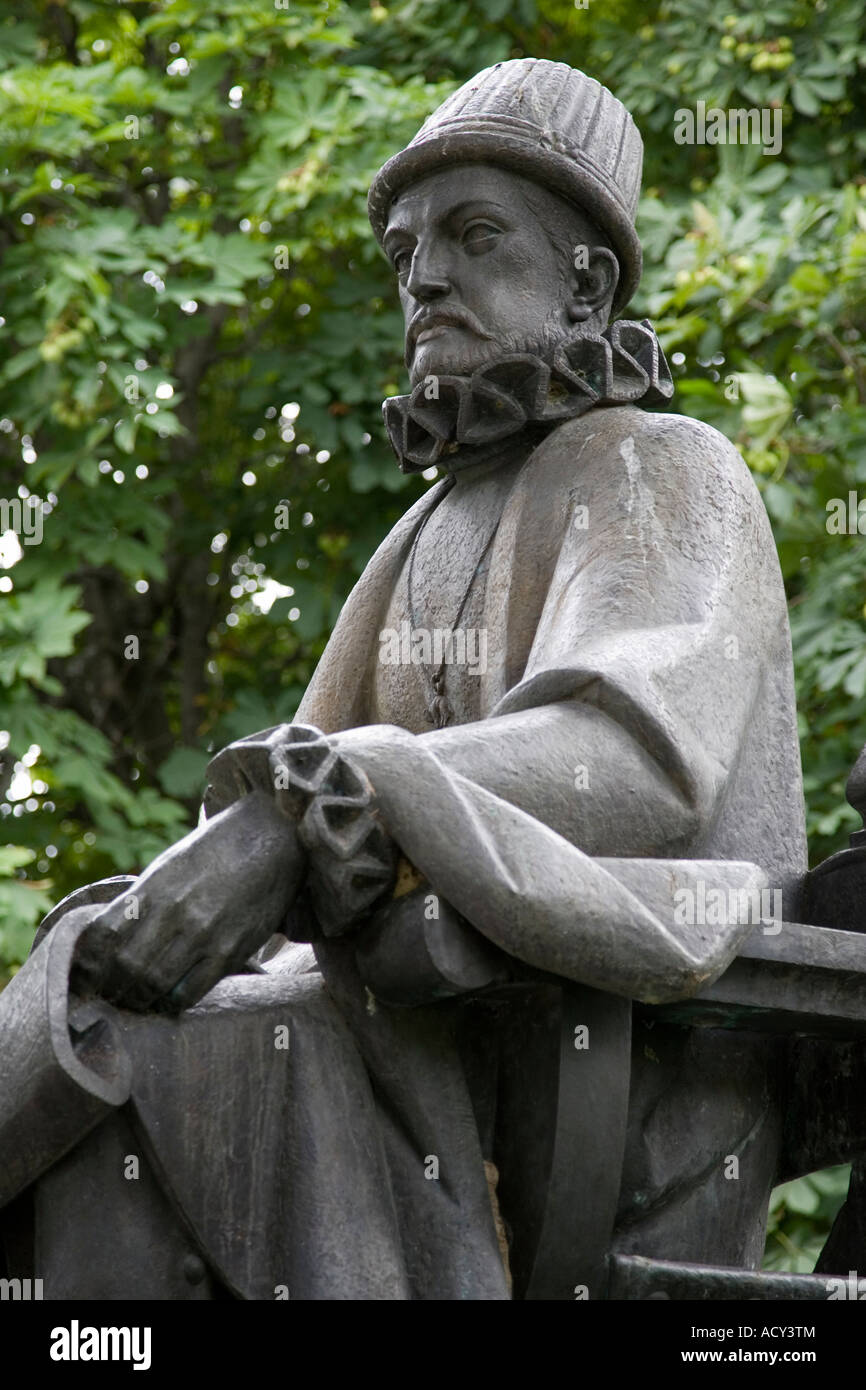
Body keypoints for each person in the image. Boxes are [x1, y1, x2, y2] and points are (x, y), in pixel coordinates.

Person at [0, 59, 806, 1300]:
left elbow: (632, 757)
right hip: (430, 1040)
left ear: (586, 283)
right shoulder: (421, 532)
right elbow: (285, 820)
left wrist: (304, 812)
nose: (422, 276)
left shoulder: (662, 467)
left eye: (473, 236)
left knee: (189, 1061)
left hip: (606, 1086)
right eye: (402, 251)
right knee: (90, 1023)